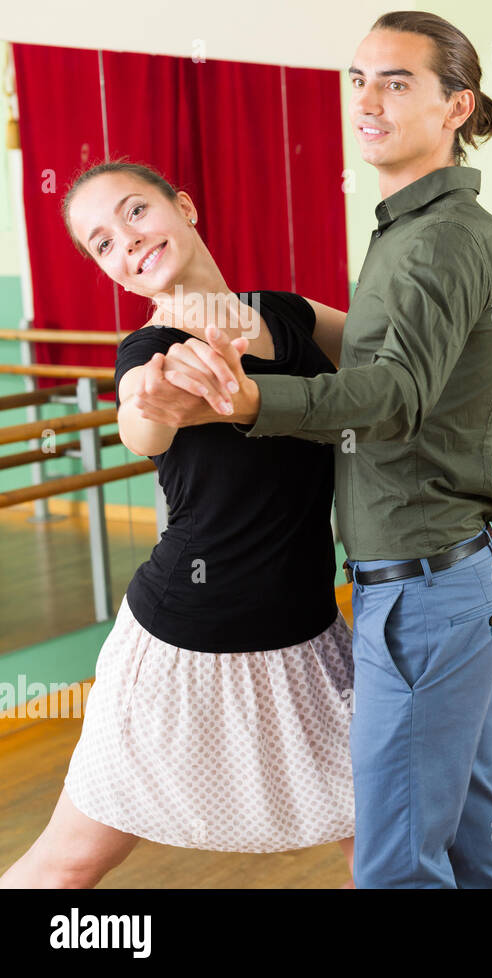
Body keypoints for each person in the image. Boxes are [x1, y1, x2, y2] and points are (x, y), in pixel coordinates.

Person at [132, 12, 492, 889]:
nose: (368, 99)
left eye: (397, 81)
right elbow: (381, 358)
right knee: (473, 841)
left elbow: (392, 395)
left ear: (456, 105)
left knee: (395, 866)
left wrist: (248, 398)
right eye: (358, 78)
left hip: (426, 589)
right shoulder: (409, 230)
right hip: (439, 580)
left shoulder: (441, 237)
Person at [0, 160, 355, 888]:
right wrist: (156, 402)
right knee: (66, 866)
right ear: (112, 274)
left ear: (183, 207)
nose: (126, 241)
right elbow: (139, 419)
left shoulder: (289, 314)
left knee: (383, 843)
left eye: (135, 213)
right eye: (102, 243)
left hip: (306, 640)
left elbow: (397, 357)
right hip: (182, 647)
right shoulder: (148, 354)